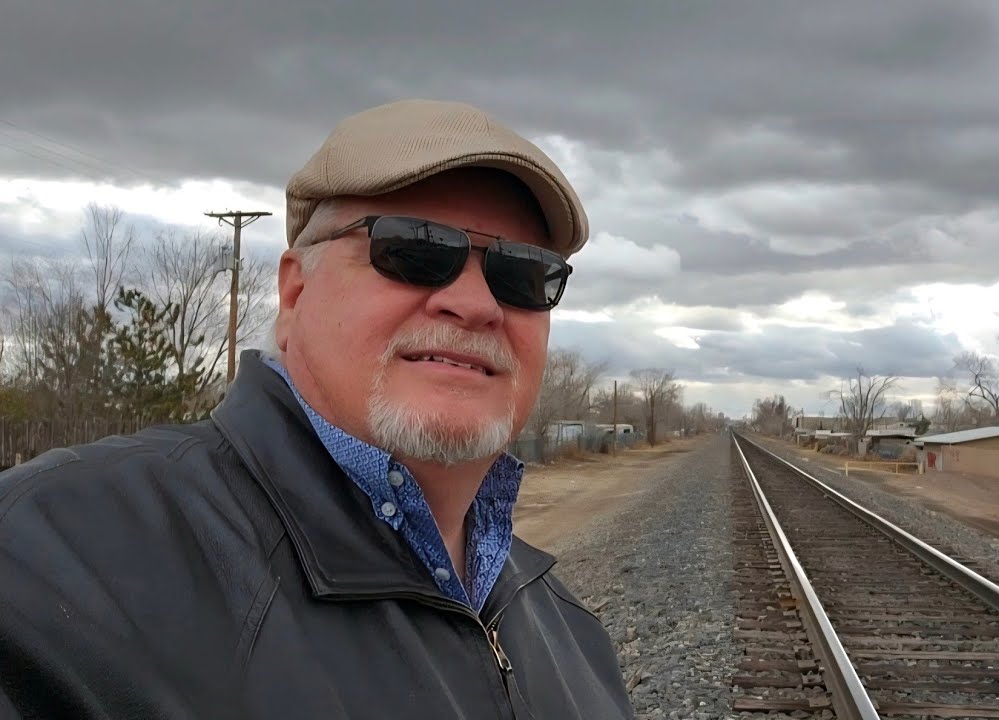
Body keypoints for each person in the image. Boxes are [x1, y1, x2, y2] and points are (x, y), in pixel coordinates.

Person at [0, 100, 633, 719]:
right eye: (414, 250)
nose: (475, 304)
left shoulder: (569, 629)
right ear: (295, 292)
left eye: (523, 274)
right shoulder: (53, 560)